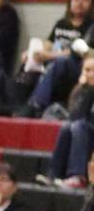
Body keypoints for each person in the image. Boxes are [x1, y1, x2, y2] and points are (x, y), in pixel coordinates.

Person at [21, 0, 94, 115]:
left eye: (85, 0)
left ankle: (36, 104)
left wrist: (50, 55)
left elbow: (78, 51)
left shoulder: (91, 26)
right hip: (55, 60)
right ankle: (17, 104)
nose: (80, 3)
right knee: (28, 61)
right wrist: (31, 53)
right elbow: (48, 43)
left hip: (78, 65)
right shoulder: (62, 23)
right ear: (70, 2)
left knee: (61, 61)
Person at [41, 53, 94, 187]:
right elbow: (76, 116)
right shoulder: (81, 89)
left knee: (78, 126)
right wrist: (87, 90)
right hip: (85, 131)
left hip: (87, 131)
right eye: (87, 70)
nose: (91, 74)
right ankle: (53, 175)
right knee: (67, 127)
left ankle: (77, 176)